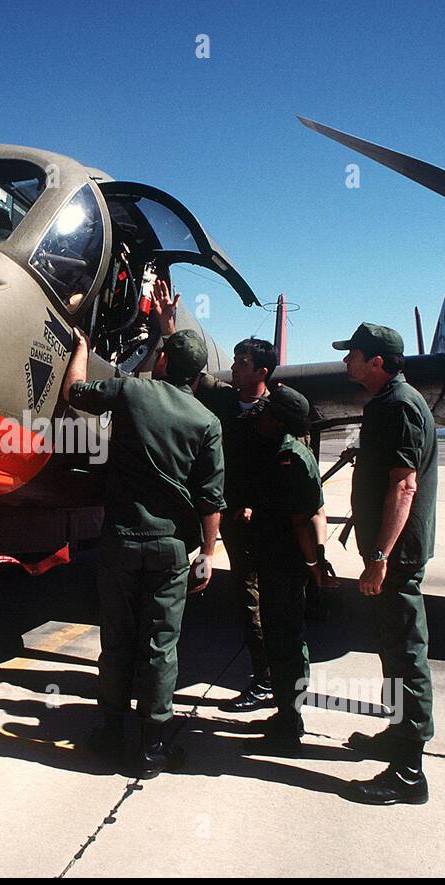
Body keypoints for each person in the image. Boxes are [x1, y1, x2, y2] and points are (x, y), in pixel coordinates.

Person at [61, 324, 225, 779]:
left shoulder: (132, 392)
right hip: (171, 549)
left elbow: (76, 391)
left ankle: (110, 732)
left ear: (166, 361)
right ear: (197, 376)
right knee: (161, 646)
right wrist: (207, 554)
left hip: (121, 540)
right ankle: (152, 748)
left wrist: (82, 348)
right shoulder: (206, 421)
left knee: (116, 640)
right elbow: (212, 500)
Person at [153, 280, 279, 712]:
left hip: (261, 524)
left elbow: (291, 472)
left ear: (262, 372)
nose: (235, 368)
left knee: (259, 599)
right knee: (245, 596)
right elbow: (189, 369)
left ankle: (265, 681)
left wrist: (254, 506)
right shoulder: (224, 400)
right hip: (230, 520)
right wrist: (169, 329)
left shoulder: (278, 414)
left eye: (243, 363)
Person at [334, 323, 438, 805]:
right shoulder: (388, 403)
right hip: (389, 552)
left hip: (394, 555)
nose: (345, 362)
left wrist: (379, 557)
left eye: (352, 355)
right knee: (391, 649)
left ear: (377, 362)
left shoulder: (399, 406)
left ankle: (409, 774)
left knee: (404, 653)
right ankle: (398, 739)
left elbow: (404, 486)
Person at [242, 386, 329, 751]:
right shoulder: (293, 452)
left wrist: (313, 563)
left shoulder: (289, 458)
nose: (260, 416)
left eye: (266, 412)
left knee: (285, 641)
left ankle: (290, 722)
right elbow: (318, 510)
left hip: (284, 565)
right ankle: (286, 713)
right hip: (279, 562)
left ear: (278, 419)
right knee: (285, 638)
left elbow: (302, 519)